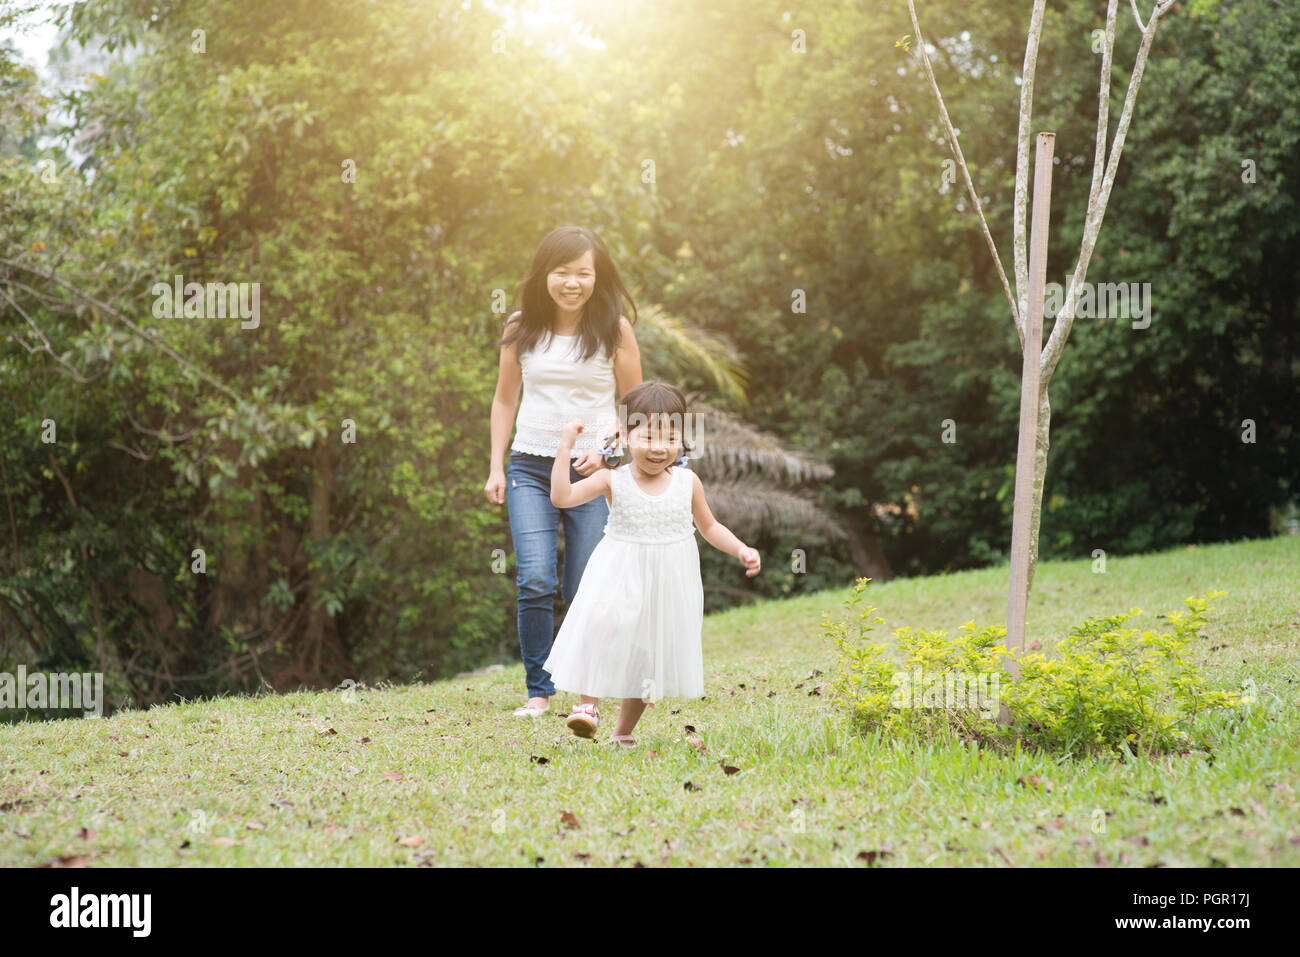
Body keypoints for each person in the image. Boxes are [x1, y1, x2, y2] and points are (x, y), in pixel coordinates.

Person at [544, 381, 761, 747]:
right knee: (601, 626)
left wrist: (741, 549)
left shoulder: (687, 482)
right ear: (626, 436)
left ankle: (623, 732)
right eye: (647, 437)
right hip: (618, 571)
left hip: (668, 582)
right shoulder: (612, 479)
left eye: (669, 437)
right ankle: (587, 707)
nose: (658, 447)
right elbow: (562, 497)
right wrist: (565, 447)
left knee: (648, 656)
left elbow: (708, 526)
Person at [484, 226, 642, 717]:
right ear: (544, 274)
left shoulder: (613, 328)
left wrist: (610, 453)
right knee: (534, 577)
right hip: (530, 467)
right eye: (561, 272)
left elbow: (633, 408)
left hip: (591, 472)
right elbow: (505, 398)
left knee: (585, 584)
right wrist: (494, 466)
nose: (571, 282)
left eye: (583, 273)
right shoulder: (519, 327)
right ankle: (538, 690)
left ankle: (587, 694)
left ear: (597, 277)